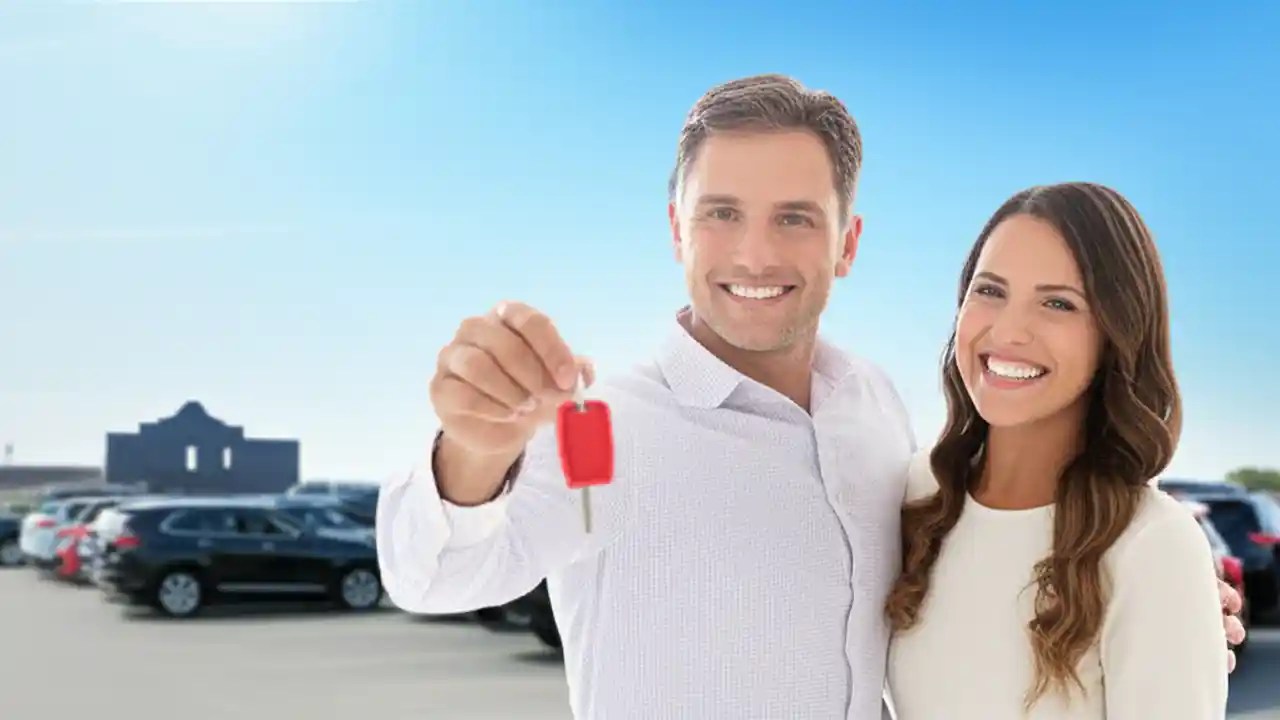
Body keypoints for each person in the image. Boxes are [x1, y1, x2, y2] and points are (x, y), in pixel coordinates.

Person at [375, 74, 1244, 720]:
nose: (754, 254)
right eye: (720, 213)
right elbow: (437, 574)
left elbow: (981, 578)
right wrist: (478, 449)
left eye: (794, 217)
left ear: (847, 243)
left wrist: (1158, 601)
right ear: (677, 228)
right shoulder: (604, 427)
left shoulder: (874, 411)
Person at [883, 182, 1230, 719]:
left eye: (1057, 303)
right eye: (990, 291)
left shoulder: (1154, 545)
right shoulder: (914, 496)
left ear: (1117, 333)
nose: (1008, 330)